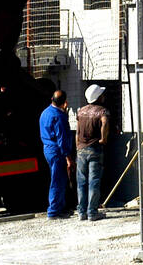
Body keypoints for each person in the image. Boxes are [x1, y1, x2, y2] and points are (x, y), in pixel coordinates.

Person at [75, 84, 112, 221]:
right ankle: (92, 212)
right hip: (95, 149)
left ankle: (81, 211)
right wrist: (104, 138)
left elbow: (78, 131)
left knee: (81, 182)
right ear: (98, 97)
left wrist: (78, 146)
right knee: (94, 181)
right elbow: (105, 122)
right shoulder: (102, 111)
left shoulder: (81, 111)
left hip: (81, 149)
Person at [39, 90, 74, 219]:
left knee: (58, 178)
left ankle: (60, 208)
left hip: (48, 148)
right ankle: (54, 211)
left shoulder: (45, 113)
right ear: (64, 103)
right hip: (57, 151)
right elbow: (62, 138)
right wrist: (68, 157)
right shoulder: (59, 116)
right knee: (58, 180)